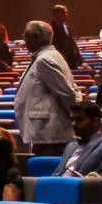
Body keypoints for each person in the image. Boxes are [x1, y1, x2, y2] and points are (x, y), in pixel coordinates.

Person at [13, 19, 77, 148]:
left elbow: (65, 93)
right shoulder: (47, 55)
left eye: (25, 36)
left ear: (35, 38)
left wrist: (74, 118)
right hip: (46, 129)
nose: (24, 41)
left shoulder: (45, 60)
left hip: (49, 131)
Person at [57, 101, 102, 177]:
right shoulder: (70, 146)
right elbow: (57, 173)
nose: (73, 123)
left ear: (95, 121)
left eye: (79, 120)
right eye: (72, 119)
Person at [50, 4, 83, 71]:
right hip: (58, 60)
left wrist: (80, 61)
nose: (66, 14)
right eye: (64, 12)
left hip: (71, 61)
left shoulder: (67, 27)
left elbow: (73, 44)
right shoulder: (50, 28)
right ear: (56, 14)